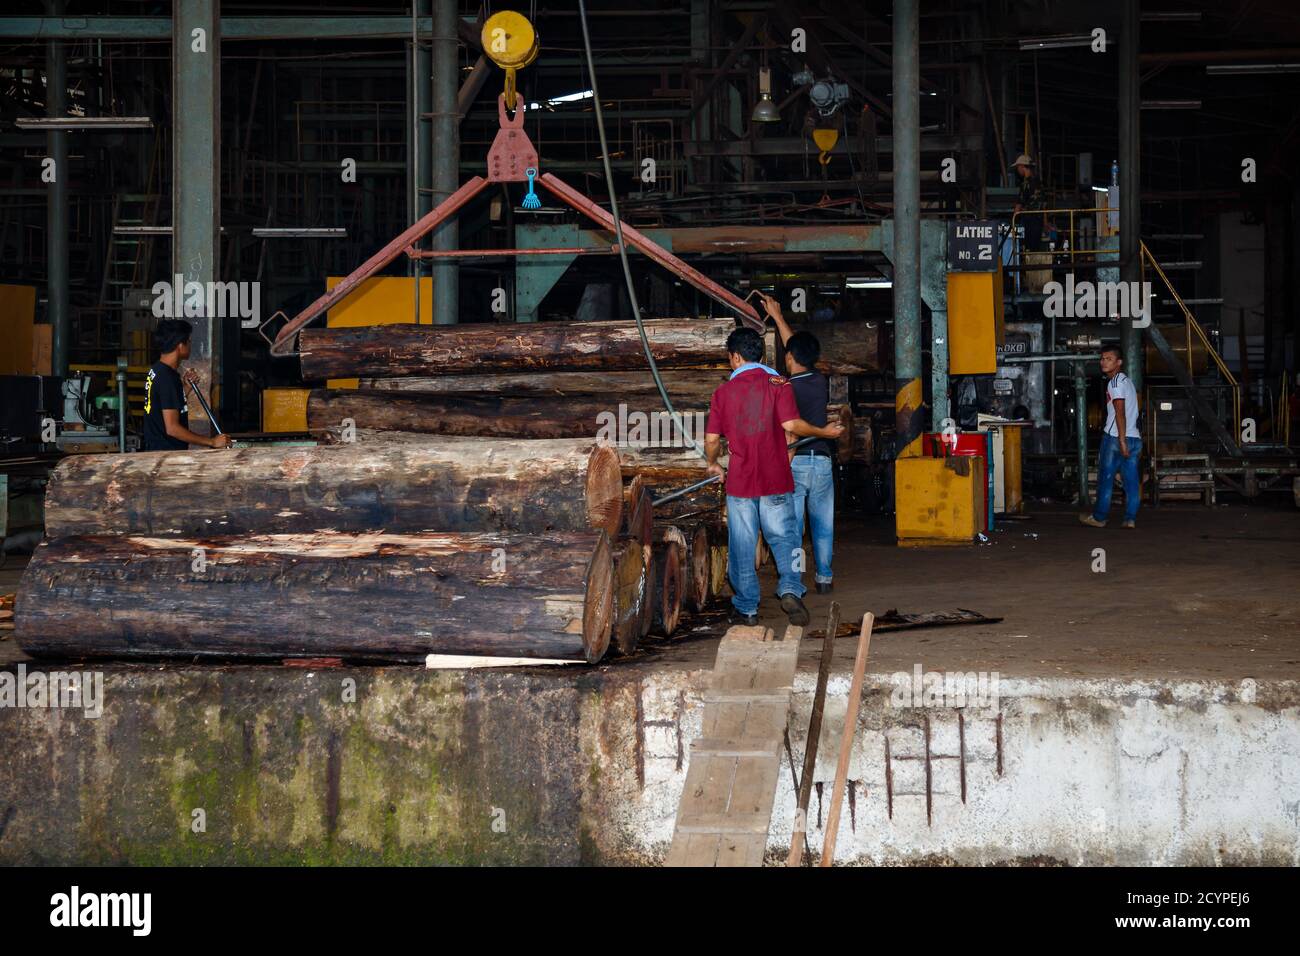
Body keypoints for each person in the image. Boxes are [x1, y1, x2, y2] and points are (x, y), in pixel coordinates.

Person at [703, 326, 844, 626]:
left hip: (741, 482)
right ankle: (791, 588)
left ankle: (747, 607)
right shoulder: (780, 383)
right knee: (786, 537)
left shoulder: (723, 392)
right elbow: (791, 424)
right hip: (776, 477)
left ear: (735, 357)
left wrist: (713, 463)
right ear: (762, 355)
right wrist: (820, 433)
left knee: (742, 543)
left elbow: (713, 439)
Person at [760, 292, 835, 594]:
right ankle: (825, 578)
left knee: (791, 526)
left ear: (790, 358)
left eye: (788, 355)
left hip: (795, 461)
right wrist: (778, 318)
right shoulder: (818, 381)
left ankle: (794, 580)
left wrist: (776, 318)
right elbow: (797, 348)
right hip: (823, 461)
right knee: (823, 525)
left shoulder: (783, 388)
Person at [142, 319, 231, 452]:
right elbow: (172, 428)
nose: (190, 344)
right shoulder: (167, 378)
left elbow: (166, 404)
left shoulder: (157, 370)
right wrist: (212, 441)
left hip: (159, 450)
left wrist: (186, 388)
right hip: (165, 455)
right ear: (180, 345)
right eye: (188, 341)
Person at [1080, 345, 1141, 529]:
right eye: (1102, 358)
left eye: (1108, 359)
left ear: (1119, 362)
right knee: (1131, 482)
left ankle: (1099, 518)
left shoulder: (1114, 383)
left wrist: (1121, 441)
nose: (1103, 362)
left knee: (1105, 480)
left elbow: (1120, 412)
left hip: (1116, 438)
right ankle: (1130, 519)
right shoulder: (1128, 382)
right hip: (1134, 438)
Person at [1012, 153, 1044, 253]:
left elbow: (1019, 204)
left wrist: (1013, 220)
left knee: (1028, 249)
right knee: (1035, 249)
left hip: (1029, 222)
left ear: (1022, 167)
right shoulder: (1039, 182)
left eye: (1018, 167)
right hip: (1038, 221)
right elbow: (1044, 204)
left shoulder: (1025, 184)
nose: (1017, 170)